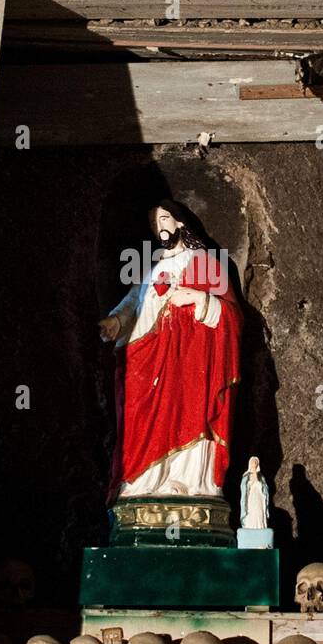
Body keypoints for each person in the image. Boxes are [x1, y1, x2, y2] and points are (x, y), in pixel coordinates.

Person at [98, 200, 241, 500]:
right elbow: (133, 303)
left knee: (184, 410)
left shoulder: (202, 262)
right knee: (138, 418)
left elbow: (232, 316)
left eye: (164, 218)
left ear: (180, 223)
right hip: (145, 360)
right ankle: (142, 485)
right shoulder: (152, 268)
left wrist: (200, 301)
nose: (159, 226)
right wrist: (116, 321)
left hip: (186, 362)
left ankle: (187, 482)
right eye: (153, 222)